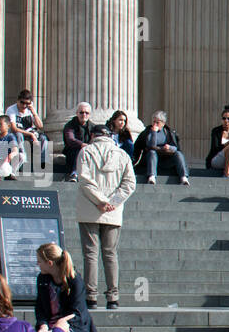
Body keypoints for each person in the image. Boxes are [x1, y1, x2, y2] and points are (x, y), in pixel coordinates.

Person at [76, 124, 136, 310]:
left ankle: (91, 297)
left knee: (90, 254)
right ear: (110, 136)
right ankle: (113, 297)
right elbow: (129, 184)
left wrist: (100, 201)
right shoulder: (122, 155)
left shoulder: (85, 153)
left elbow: (85, 181)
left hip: (89, 209)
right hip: (113, 211)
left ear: (93, 135)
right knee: (110, 254)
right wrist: (113, 202)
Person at [34, 243, 100, 332]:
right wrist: (43, 326)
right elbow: (39, 308)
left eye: (39, 262)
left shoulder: (75, 281)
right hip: (48, 328)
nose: (37, 264)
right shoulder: (42, 279)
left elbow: (77, 314)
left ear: (49, 263)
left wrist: (55, 330)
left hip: (71, 329)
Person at [133, 110, 189, 185]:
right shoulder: (148, 132)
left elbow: (176, 148)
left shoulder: (169, 132)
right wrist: (154, 133)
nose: (155, 124)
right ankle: (152, 176)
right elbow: (151, 145)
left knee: (178, 154)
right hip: (150, 159)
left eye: (157, 122)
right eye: (153, 122)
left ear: (163, 123)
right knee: (152, 152)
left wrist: (170, 148)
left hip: (166, 159)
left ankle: (184, 177)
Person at [6, 90, 49, 170]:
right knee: (19, 135)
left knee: (43, 138)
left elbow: (40, 126)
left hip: (30, 134)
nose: (24, 106)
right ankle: (23, 159)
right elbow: (14, 128)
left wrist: (34, 113)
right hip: (17, 135)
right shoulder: (11, 110)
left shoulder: (30, 110)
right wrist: (31, 135)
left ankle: (43, 162)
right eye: (22, 102)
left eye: (27, 103)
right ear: (18, 100)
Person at [61, 102, 95, 179]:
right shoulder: (70, 125)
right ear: (77, 113)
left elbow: (96, 139)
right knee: (80, 150)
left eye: (87, 113)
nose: (84, 115)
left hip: (89, 152)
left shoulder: (93, 126)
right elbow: (70, 139)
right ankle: (74, 173)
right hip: (72, 152)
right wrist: (82, 145)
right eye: (81, 112)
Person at [0, 115, 26, 181]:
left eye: (1, 124)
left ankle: (11, 173)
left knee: (21, 156)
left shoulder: (10, 136)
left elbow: (15, 150)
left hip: (6, 161)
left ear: (8, 126)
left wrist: (11, 155)